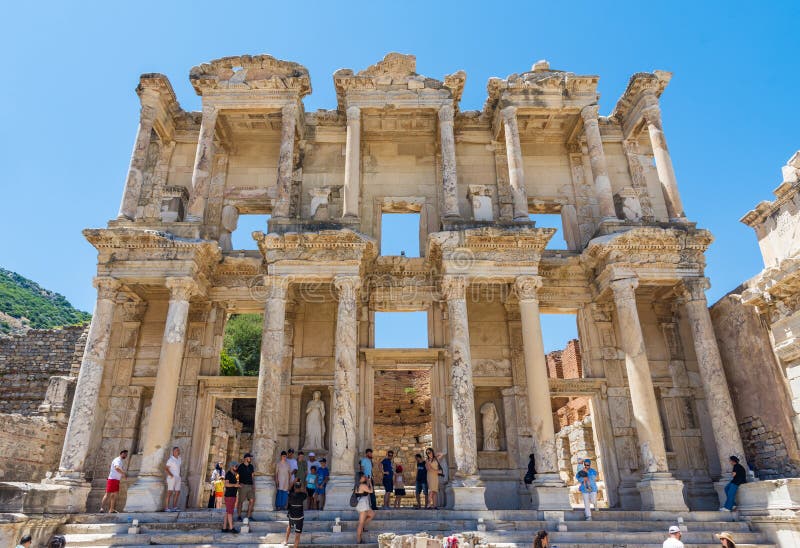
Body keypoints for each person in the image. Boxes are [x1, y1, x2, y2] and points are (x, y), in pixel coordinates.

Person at [100, 449, 128, 513]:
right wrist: (124, 473)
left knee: (114, 495)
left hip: (116, 480)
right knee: (108, 494)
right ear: (122, 453)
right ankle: (101, 508)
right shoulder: (117, 460)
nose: (126, 456)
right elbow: (117, 468)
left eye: (126, 455)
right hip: (112, 479)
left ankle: (111, 509)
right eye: (125, 454)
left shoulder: (120, 461)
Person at [285, 480, 307, 548]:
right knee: (297, 535)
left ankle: (285, 541)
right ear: (300, 488)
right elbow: (305, 493)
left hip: (292, 517)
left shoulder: (290, 495)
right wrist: (303, 487)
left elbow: (286, 505)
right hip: (299, 518)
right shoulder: (303, 495)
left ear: (294, 487)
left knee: (289, 526)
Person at [354, 472, 375, 544]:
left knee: (372, 514)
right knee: (361, 523)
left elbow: (366, 490)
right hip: (363, 505)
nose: (364, 477)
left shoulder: (357, 485)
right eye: (363, 476)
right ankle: (358, 540)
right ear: (360, 477)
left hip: (362, 504)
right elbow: (371, 491)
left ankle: (362, 527)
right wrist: (371, 483)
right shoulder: (362, 485)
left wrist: (368, 481)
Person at [222, 461, 241, 534]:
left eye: (237, 466)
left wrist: (237, 485)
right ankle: (231, 528)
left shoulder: (234, 474)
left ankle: (224, 527)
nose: (236, 468)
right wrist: (234, 485)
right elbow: (226, 484)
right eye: (235, 466)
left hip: (233, 495)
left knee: (228, 511)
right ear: (231, 466)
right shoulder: (228, 474)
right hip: (229, 496)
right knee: (230, 512)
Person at [237, 453, 255, 521]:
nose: (250, 459)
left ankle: (248, 516)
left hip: (250, 486)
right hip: (243, 486)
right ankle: (239, 516)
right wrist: (238, 483)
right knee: (240, 502)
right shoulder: (241, 466)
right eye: (249, 457)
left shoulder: (251, 466)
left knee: (252, 500)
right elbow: (237, 475)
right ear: (246, 458)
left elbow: (252, 476)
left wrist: (253, 485)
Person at [164, 446, 182, 512]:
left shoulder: (179, 459)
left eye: (178, 450)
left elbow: (179, 467)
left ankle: (174, 507)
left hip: (178, 477)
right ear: (174, 452)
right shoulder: (170, 460)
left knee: (177, 492)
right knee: (170, 492)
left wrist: (180, 475)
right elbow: (166, 468)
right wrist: (171, 475)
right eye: (177, 450)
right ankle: (166, 508)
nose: (178, 452)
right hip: (172, 478)